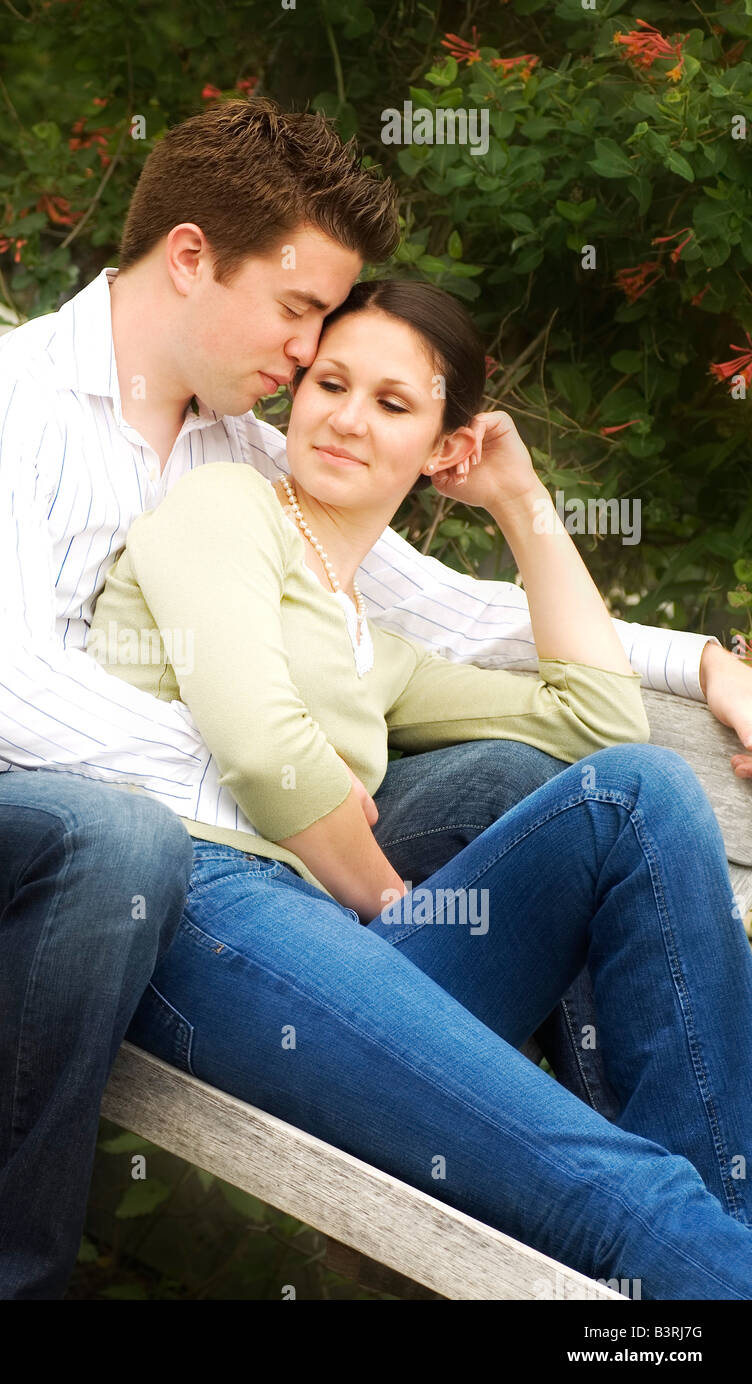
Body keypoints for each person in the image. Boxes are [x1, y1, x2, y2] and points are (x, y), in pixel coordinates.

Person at [0, 98, 752, 1299]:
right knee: (123, 840)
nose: (311, 354)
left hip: (223, 880)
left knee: (589, 790)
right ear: (193, 256)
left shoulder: (246, 448)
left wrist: (704, 660)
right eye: (302, 311)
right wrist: (293, 797)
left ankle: (717, 1228)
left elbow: (454, 615)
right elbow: (7, 695)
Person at [88, 277, 752, 1298]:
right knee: (628, 1197)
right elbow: (266, 751)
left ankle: (719, 1244)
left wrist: (522, 504)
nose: (347, 417)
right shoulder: (225, 508)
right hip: (193, 927)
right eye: (330, 383)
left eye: (394, 405)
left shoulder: (376, 652)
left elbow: (597, 721)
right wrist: (383, 893)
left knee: (639, 792)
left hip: (325, 966)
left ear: (446, 449)